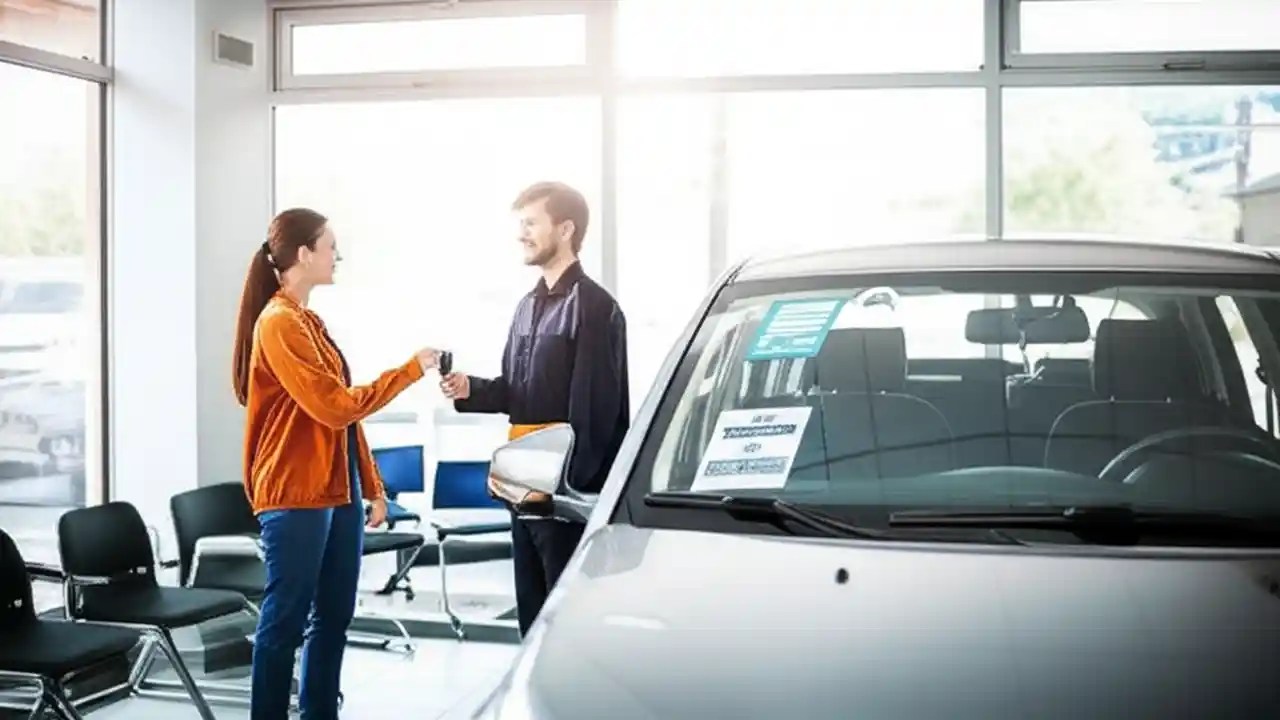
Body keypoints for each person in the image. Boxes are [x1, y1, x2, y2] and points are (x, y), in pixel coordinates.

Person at [232, 207, 439, 719]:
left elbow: (342, 418)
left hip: (336, 488)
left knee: (333, 619)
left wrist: (372, 485)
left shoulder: (308, 321)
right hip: (295, 489)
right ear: (304, 253)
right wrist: (410, 369)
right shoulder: (279, 323)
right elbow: (337, 405)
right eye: (330, 247)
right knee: (284, 623)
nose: (337, 256)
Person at [441, 181, 630, 636]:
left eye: (531, 223)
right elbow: (516, 392)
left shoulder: (595, 307)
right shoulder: (527, 306)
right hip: (521, 480)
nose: (521, 234)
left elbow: (597, 412)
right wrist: (471, 389)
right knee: (531, 608)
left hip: (561, 487)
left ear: (565, 229)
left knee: (565, 617)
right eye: (520, 223)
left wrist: (569, 492)